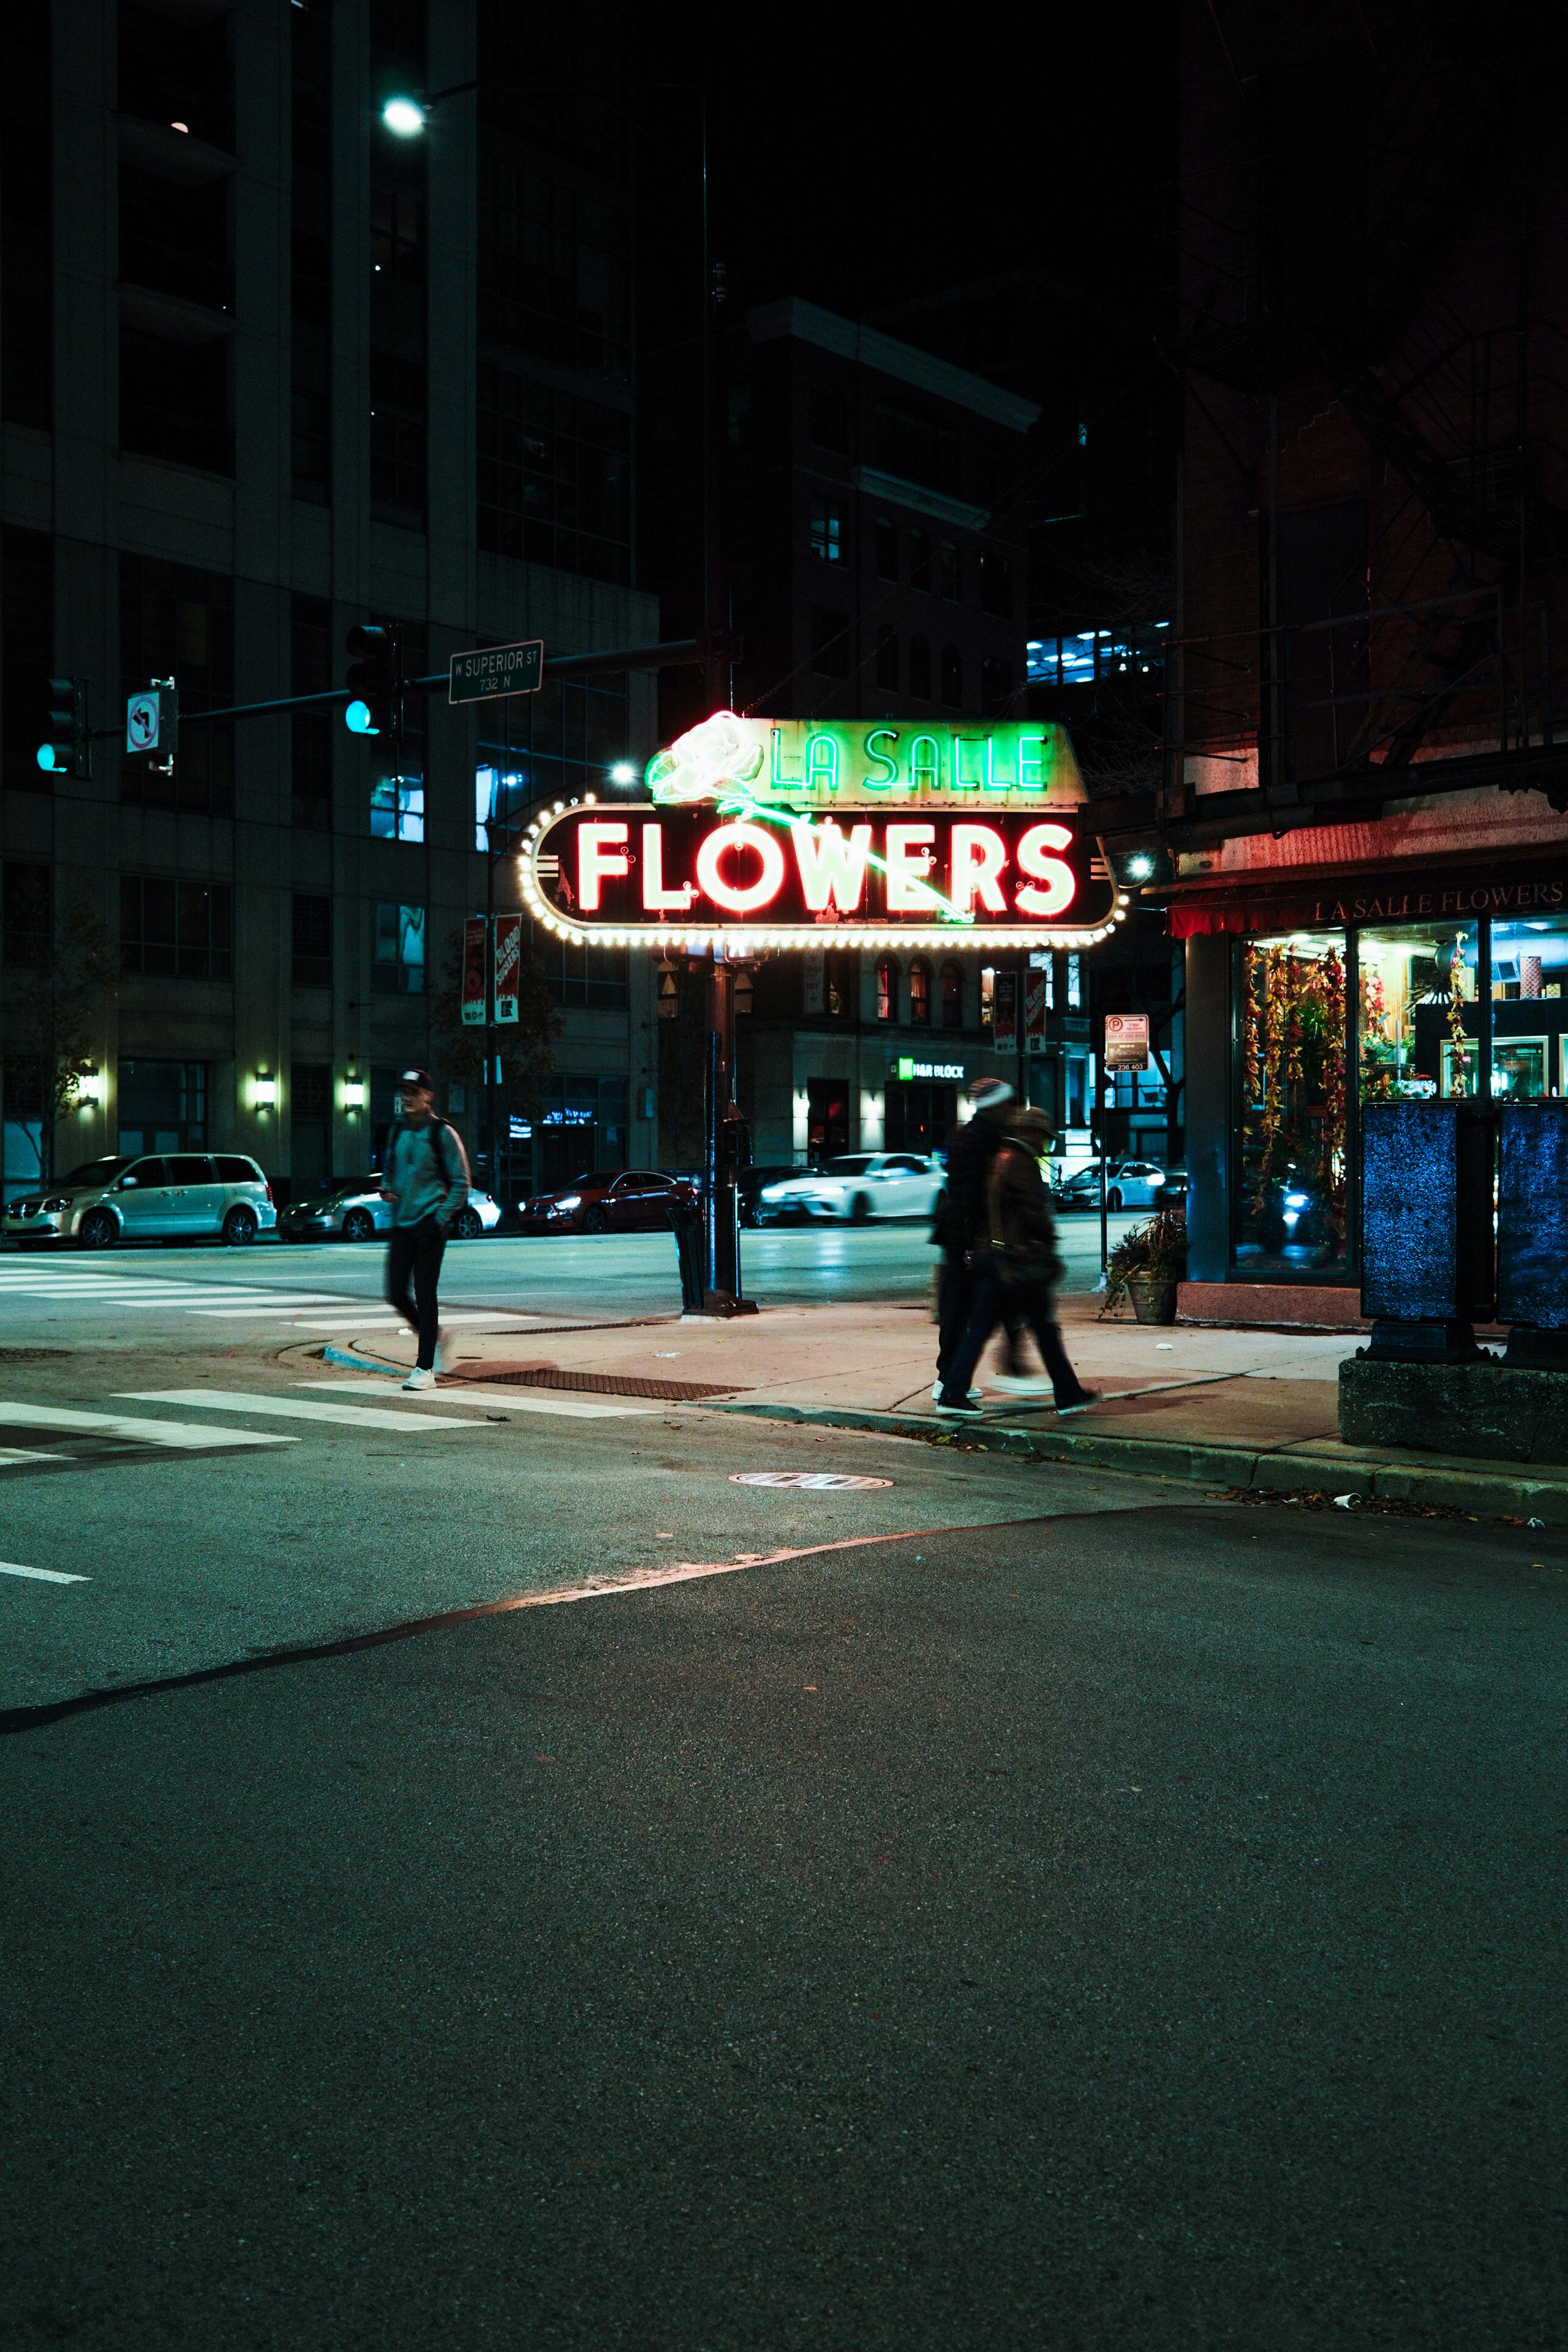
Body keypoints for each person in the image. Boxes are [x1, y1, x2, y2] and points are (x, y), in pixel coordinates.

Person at [935, 1102, 1098, 1418]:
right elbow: (1033, 1213)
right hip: (1014, 1262)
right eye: (1045, 1138)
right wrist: (1049, 1239)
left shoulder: (999, 1159)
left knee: (986, 1329)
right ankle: (1068, 1393)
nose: (1046, 1146)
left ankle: (954, 1392)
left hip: (993, 1258)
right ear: (1030, 1133)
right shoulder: (1021, 1162)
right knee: (1045, 1329)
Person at [931, 1077, 1029, 1402]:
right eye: (1010, 1105)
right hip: (972, 1237)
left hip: (962, 1236)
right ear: (998, 1106)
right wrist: (972, 1244)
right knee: (971, 1308)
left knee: (967, 1308)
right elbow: (972, 1196)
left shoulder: (971, 1135)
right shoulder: (987, 1140)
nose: (1015, 1111)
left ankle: (952, 1379)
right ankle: (953, 1381)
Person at [379, 1067, 471, 1391]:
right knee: (394, 1292)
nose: (406, 1098)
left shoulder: (442, 1133)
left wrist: (441, 1217)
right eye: (403, 1092)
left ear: (428, 1097)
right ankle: (439, 1337)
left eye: (413, 1093)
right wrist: (387, 1188)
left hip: (430, 1224)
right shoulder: (397, 1131)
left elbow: (462, 1183)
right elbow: (390, 1170)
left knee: (425, 1293)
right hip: (402, 1223)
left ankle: (424, 1369)